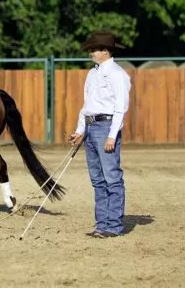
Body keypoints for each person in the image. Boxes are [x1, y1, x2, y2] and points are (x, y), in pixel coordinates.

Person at [68, 30, 131, 238]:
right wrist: (80, 130)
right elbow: (87, 106)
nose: (91, 53)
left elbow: (120, 107)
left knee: (112, 177)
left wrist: (112, 135)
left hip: (106, 127)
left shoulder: (118, 74)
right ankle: (101, 224)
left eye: (94, 50)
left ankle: (113, 226)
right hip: (91, 127)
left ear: (105, 51)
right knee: (97, 180)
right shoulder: (92, 73)